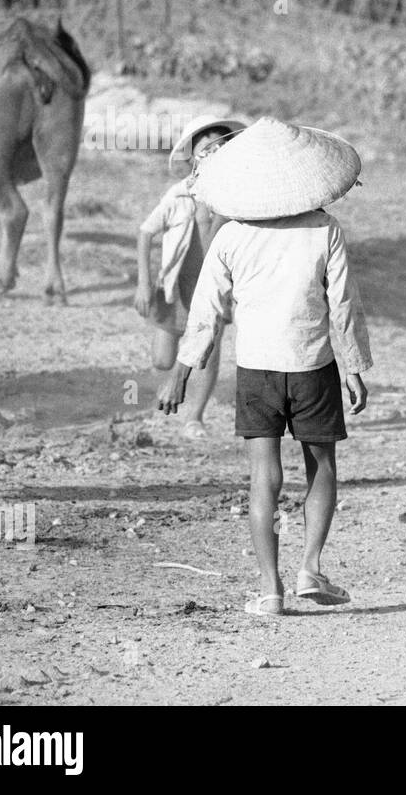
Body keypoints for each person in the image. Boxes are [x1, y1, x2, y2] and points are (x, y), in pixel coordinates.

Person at [156, 117, 372, 617]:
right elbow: (343, 305)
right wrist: (354, 368)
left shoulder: (231, 236)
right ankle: (310, 568)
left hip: (257, 370)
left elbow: (206, 311)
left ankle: (270, 589)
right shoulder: (324, 229)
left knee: (263, 479)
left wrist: (182, 372)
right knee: (322, 466)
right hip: (313, 366)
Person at [134, 116, 245, 436]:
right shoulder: (179, 195)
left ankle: (194, 417)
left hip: (217, 289)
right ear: (192, 155)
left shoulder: (239, 199)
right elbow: (145, 233)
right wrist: (144, 282)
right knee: (163, 360)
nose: (213, 153)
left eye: (221, 147)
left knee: (208, 350)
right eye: (205, 148)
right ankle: (169, 379)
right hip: (177, 289)